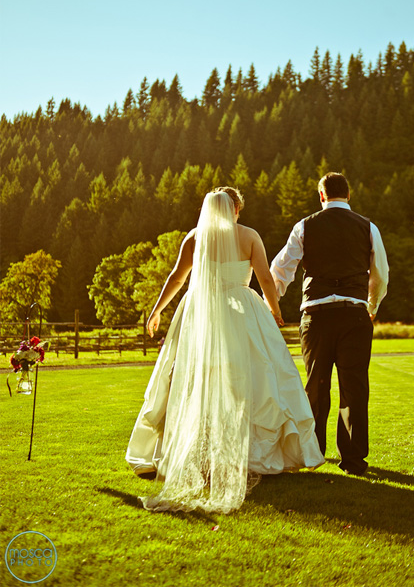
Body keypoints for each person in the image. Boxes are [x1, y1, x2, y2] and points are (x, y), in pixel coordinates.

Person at [126, 188, 324, 513]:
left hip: (201, 312)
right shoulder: (248, 236)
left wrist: (157, 310)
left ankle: (198, 453)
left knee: (198, 378)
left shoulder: (194, 237)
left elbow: (177, 278)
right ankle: (252, 454)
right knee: (253, 377)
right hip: (240, 310)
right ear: (236, 209)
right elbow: (264, 278)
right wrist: (274, 310)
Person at [271, 173, 389, 476]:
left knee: (316, 386)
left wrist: (270, 305)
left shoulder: (305, 226)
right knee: (354, 387)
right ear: (348, 195)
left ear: (321, 196)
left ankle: (314, 453)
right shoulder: (368, 226)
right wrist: (371, 305)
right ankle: (353, 460)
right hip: (354, 314)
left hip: (317, 315)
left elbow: (282, 269)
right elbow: (381, 274)